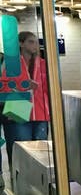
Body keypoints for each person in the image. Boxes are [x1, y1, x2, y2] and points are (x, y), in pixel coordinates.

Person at [3, 31, 50, 165]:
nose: (35, 45)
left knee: (41, 153)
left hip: (40, 112)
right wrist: (22, 87)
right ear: (21, 44)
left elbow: (49, 89)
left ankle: (37, 178)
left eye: (36, 42)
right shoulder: (12, 64)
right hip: (18, 110)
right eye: (31, 42)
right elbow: (3, 86)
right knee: (21, 152)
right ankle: (19, 177)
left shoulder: (43, 64)